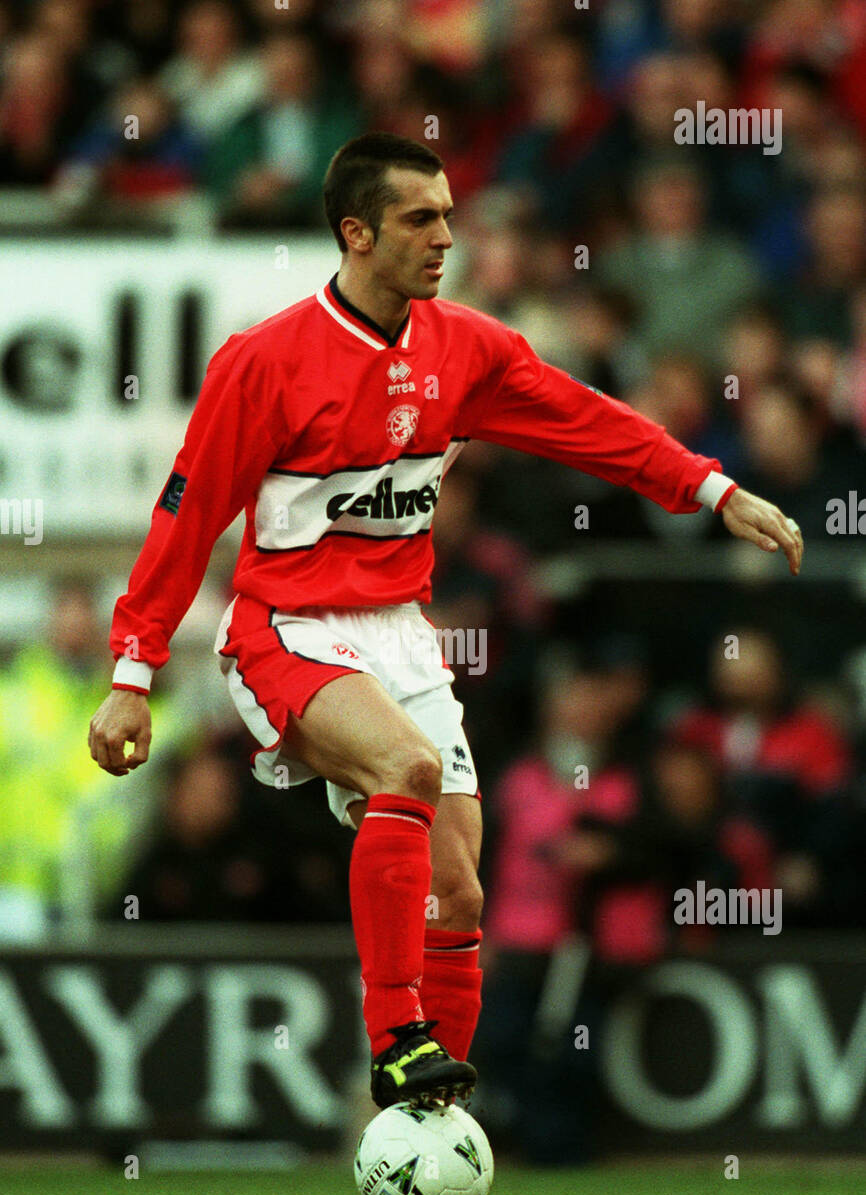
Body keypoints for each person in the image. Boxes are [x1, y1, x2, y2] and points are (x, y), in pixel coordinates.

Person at [87, 131, 803, 1130]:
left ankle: (428, 1128)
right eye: (420, 219)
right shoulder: (265, 361)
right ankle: (392, 1043)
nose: (444, 238)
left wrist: (709, 486)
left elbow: (584, 419)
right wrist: (133, 668)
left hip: (399, 634)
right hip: (285, 629)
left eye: (448, 217)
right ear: (356, 232)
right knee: (406, 772)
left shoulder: (464, 347)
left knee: (460, 893)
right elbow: (187, 512)